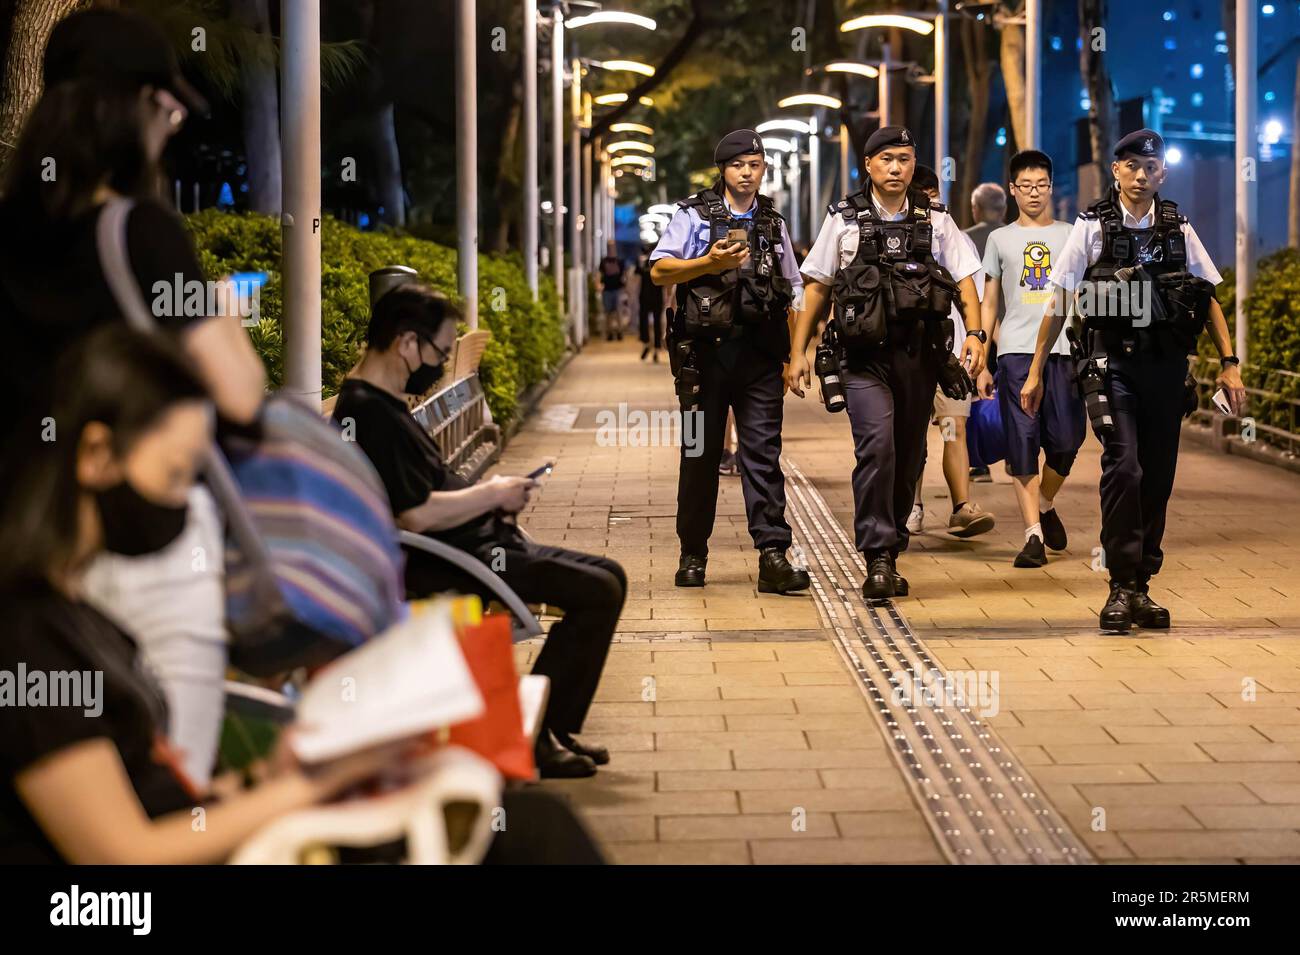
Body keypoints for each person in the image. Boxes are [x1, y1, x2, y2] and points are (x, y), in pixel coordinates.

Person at [0, 328, 404, 864]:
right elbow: (121, 857)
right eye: (175, 475)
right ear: (97, 453)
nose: (183, 506)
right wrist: (313, 786)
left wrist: (267, 779)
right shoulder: (28, 642)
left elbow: (156, 803)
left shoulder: (78, 618)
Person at [0, 7, 267, 786]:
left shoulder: (11, 232)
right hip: (142, 541)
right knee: (168, 785)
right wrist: (214, 305)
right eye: (168, 103)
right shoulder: (140, 232)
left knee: (68, 799)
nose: (176, 122)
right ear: (134, 105)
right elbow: (239, 393)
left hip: (37, 553)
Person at [332, 280, 626, 778]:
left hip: (475, 543)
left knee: (610, 575)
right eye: (439, 352)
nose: (441, 364)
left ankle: (552, 728)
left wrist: (495, 497)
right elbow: (414, 515)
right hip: (451, 559)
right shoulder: (366, 412)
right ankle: (538, 738)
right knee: (596, 590)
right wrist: (492, 496)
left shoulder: (381, 403)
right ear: (407, 343)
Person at [1022, 129, 1247, 633]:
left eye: (1151, 166)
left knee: (1158, 476)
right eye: (1132, 165)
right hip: (1111, 367)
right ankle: (1119, 587)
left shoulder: (1177, 225)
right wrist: (1037, 369)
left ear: (1162, 173)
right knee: (1124, 468)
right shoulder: (1093, 226)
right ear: (1116, 171)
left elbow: (1206, 296)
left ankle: (1142, 586)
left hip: (1166, 369)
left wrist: (1229, 360)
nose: (1142, 174)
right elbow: (1060, 298)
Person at [789, 126, 986, 600]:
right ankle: (877, 555)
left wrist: (976, 334)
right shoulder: (844, 218)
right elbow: (816, 284)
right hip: (861, 358)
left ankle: (892, 542)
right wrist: (798, 351)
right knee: (876, 445)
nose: (896, 168)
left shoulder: (936, 219)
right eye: (886, 160)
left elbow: (964, 279)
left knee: (908, 452)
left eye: (904, 158)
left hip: (920, 356)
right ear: (869, 166)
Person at [650, 128, 810, 594]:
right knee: (699, 453)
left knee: (762, 455)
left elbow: (795, 287)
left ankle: (773, 555)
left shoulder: (773, 223)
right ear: (722, 169)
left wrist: (795, 354)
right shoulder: (693, 215)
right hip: (703, 357)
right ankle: (692, 554)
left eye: (755, 165)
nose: (747, 173)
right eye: (739, 165)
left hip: (760, 357)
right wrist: (707, 263)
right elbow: (660, 268)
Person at [979, 150, 1083, 568]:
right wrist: (983, 357)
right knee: (1022, 444)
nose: (1034, 193)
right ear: (1012, 189)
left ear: (1051, 187)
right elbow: (989, 303)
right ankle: (1032, 536)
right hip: (1016, 353)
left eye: (1041, 185)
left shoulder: (1073, 234)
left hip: (1065, 352)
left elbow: (1084, 294)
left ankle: (1044, 502)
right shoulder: (999, 239)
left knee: (1066, 442)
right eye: (1026, 186)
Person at [907, 164, 995, 541]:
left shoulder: (955, 238)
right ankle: (910, 505)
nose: (929, 203)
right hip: (907, 351)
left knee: (952, 426)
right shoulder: (889, 236)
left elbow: (971, 298)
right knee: (909, 434)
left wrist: (978, 350)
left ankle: (962, 507)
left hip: (951, 354)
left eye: (933, 194)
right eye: (922, 195)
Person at [964, 182, 1007, 484]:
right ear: (1004, 209)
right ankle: (1017, 452)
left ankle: (979, 462)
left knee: (975, 396)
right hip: (1016, 332)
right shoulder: (1014, 237)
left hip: (976, 328)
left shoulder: (965, 240)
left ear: (975, 209)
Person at [633, 245, 664, 362]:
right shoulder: (654, 261)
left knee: (653, 323)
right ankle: (648, 344)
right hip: (648, 295)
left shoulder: (659, 260)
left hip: (652, 295)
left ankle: (654, 347)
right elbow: (636, 277)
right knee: (646, 322)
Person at [599, 241, 626, 341]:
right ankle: (610, 332)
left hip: (618, 289)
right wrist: (599, 285)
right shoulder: (604, 261)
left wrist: (625, 287)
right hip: (607, 290)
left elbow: (624, 275)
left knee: (618, 312)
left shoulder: (619, 261)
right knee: (608, 312)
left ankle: (619, 332)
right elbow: (600, 273)